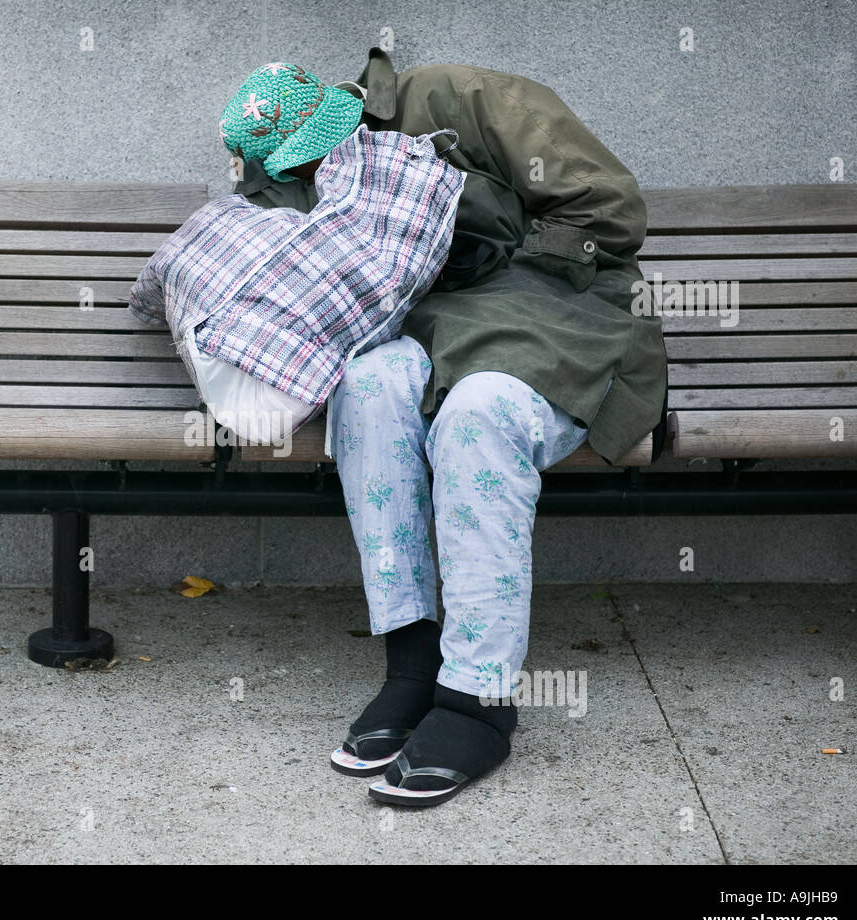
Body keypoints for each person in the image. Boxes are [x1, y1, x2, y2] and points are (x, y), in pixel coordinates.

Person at [219, 51, 667, 807]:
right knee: (365, 385)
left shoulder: (455, 96)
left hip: (554, 323)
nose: (320, 169)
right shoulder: (295, 188)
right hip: (429, 331)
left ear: (342, 109)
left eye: (322, 149)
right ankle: (413, 664)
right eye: (302, 168)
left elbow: (613, 210)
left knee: (477, 414)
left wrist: (478, 241)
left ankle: (478, 701)